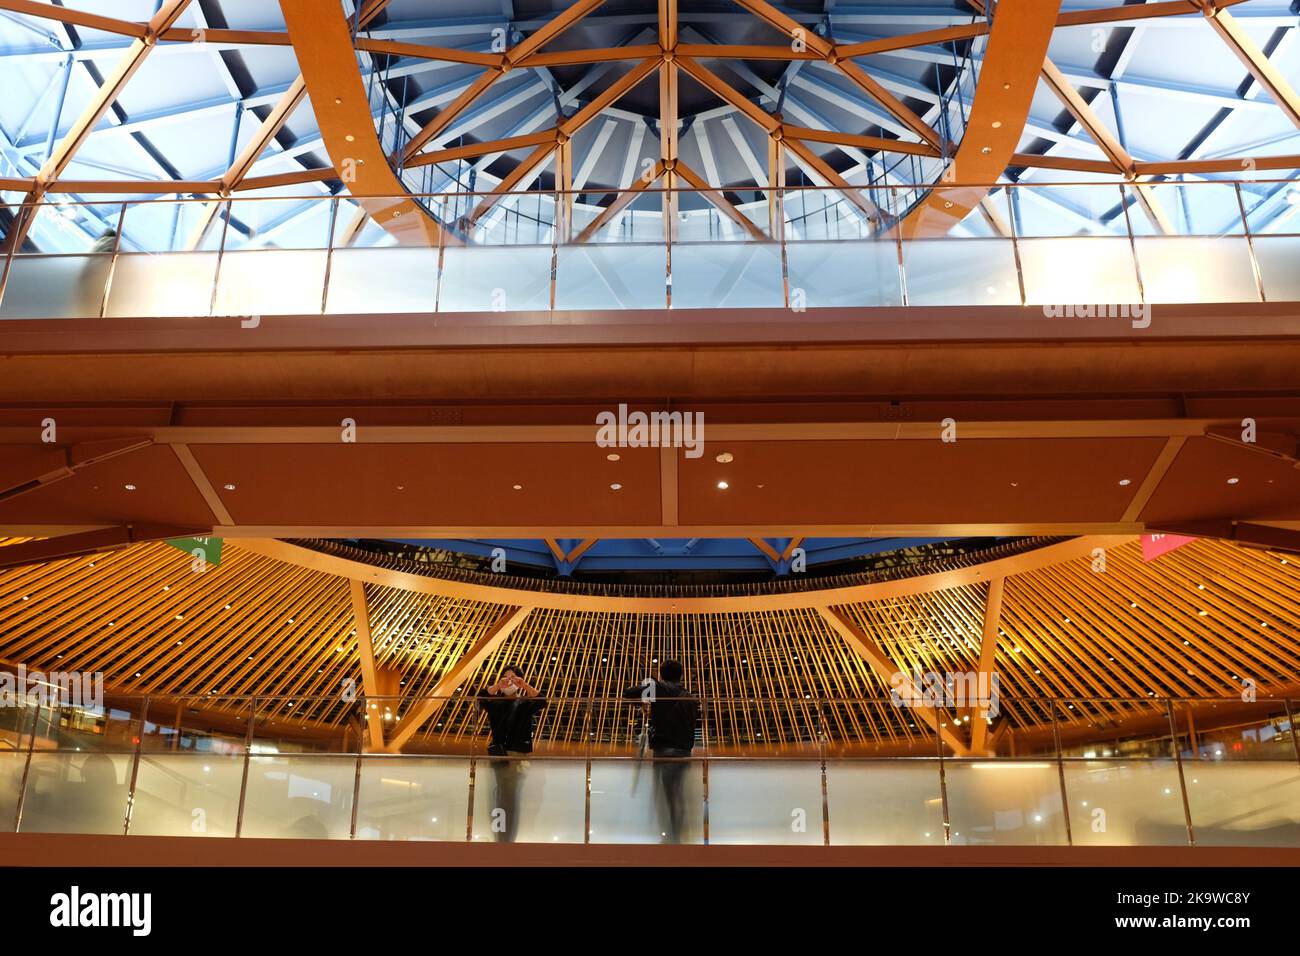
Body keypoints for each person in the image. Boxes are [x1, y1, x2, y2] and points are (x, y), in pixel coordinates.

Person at [623, 659, 699, 843]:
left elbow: (628, 693)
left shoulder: (658, 688)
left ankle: (672, 837)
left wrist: (642, 701)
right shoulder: (690, 697)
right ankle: (676, 834)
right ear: (680, 675)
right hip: (684, 752)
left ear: (662, 674)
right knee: (676, 793)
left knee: (668, 796)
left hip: (664, 750)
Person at [477, 665, 545, 842]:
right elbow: (481, 698)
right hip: (498, 754)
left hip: (517, 755)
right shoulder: (496, 703)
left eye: (513, 677)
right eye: (505, 677)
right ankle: (501, 836)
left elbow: (542, 701)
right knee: (499, 796)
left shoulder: (524, 704)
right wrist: (497, 686)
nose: (509, 681)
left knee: (510, 797)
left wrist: (524, 685)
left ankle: (507, 838)